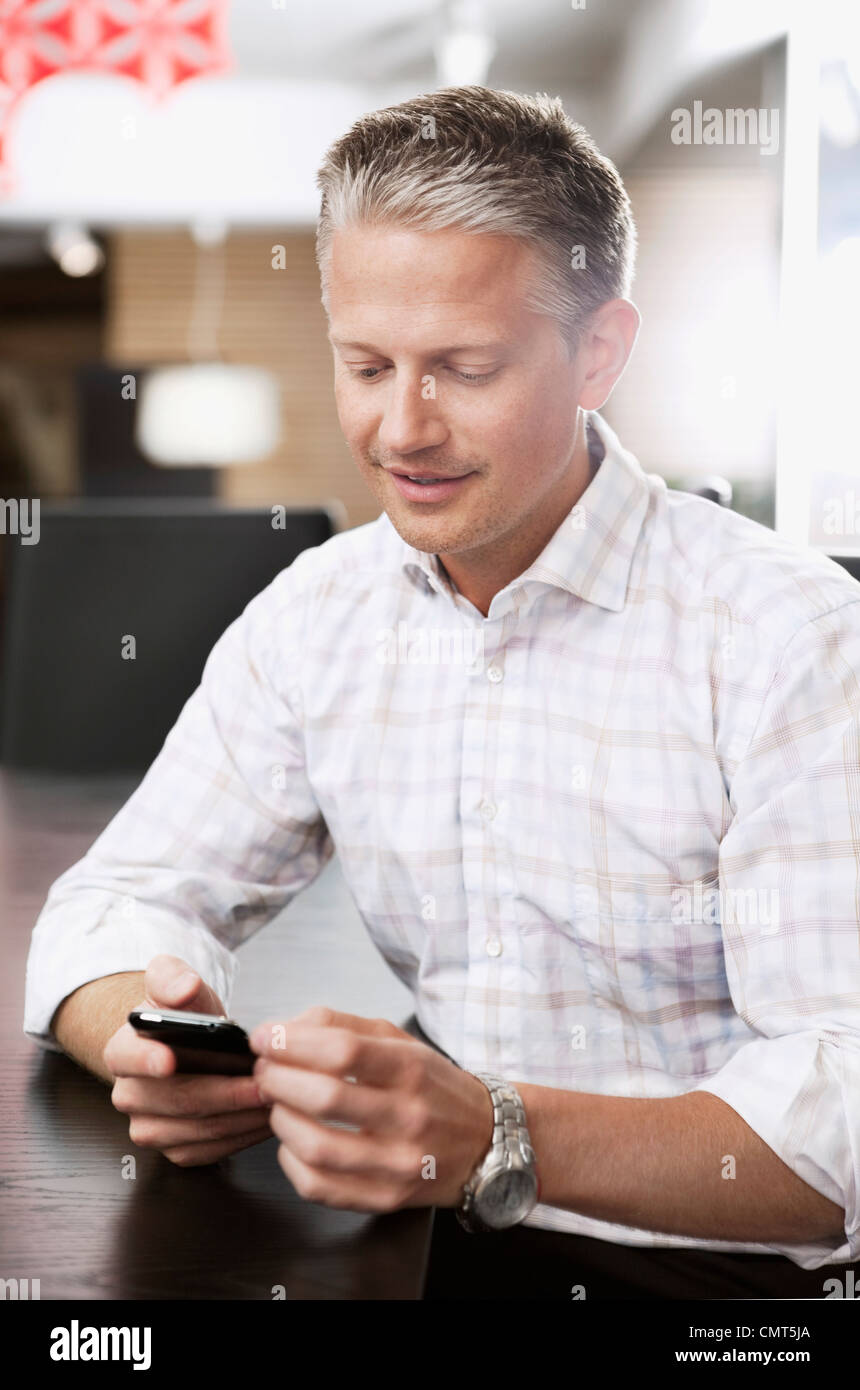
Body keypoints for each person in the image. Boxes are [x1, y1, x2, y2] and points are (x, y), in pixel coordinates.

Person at [23, 86, 860, 1298]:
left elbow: (844, 1114)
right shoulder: (317, 616)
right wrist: (148, 1046)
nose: (399, 428)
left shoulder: (791, 638)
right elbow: (115, 900)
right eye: (364, 365)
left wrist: (495, 1132)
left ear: (597, 353)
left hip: (735, 1282)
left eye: (464, 368)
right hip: (433, 1234)